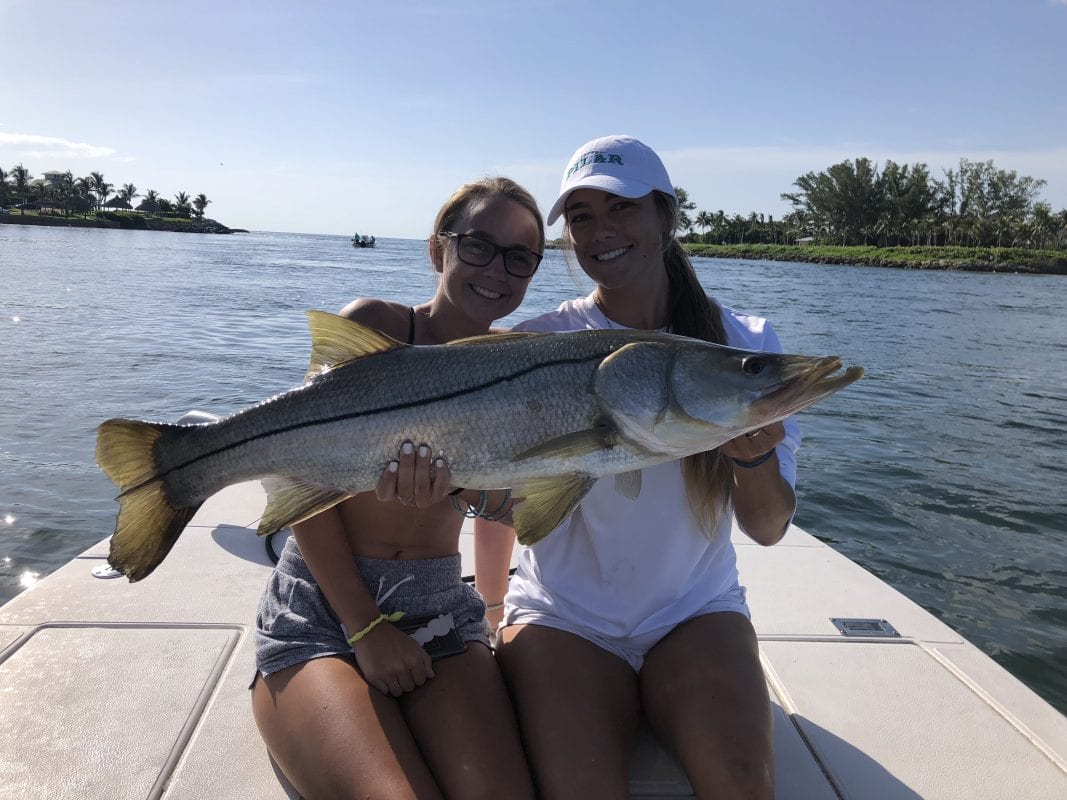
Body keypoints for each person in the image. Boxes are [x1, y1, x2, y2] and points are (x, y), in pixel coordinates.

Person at [478, 135, 799, 799]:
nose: (601, 232)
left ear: (665, 217)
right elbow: (502, 501)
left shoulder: (744, 351)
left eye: (620, 208)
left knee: (742, 787)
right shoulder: (532, 345)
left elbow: (768, 530)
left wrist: (754, 455)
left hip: (694, 611)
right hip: (561, 616)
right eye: (583, 217)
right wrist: (488, 596)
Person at [251, 177, 542, 800]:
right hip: (325, 612)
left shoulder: (518, 362)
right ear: (438, 249)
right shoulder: (375, 326)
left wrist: (469, 504)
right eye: (479, 246)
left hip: (439, 607)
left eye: (520, 257)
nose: (497, 269)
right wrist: (365, 630)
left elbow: (501, 507)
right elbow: (300, 470)